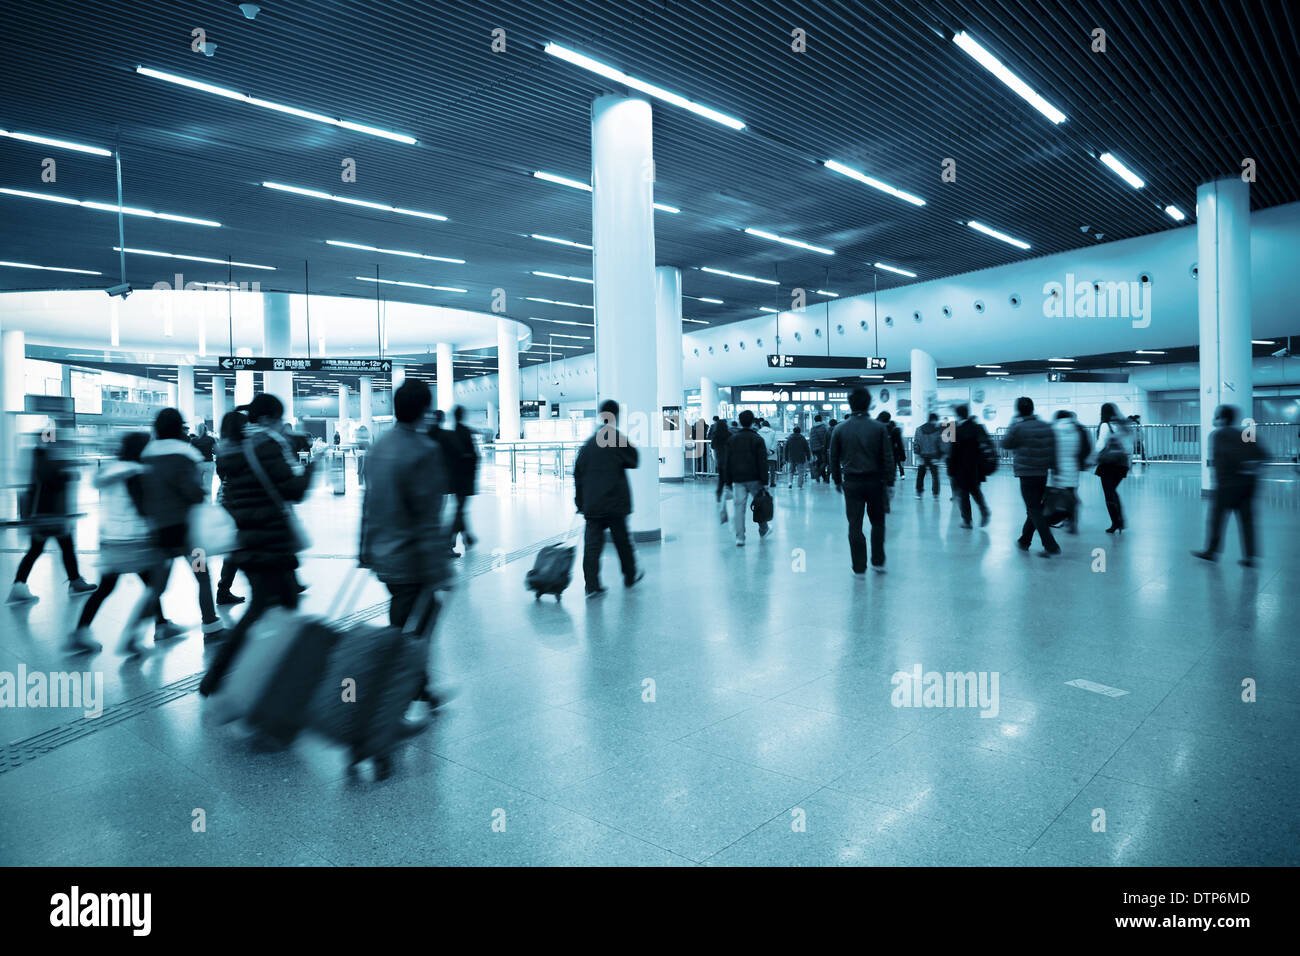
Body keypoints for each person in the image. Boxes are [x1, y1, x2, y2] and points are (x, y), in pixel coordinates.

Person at [199, 393, 315, 698]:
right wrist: (314, 469)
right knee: (264, 607)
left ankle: (279, 670)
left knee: (286, 602)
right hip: (269, 539)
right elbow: (294, 491)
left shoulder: (234, 447)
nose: (281, 425)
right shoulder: (265, 446)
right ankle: (220, 673)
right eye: (278, 419)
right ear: (266, 419)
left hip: (247, 538)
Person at [360, 378, 450, 708]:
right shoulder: (423, 451)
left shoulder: (379, 446)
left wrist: (364, 550)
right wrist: (439, 570)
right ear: (424, 410)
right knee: (413, 628)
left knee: (405, 622)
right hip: (411, 559)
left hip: (384, 555)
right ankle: (395, 697)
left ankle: (418, 686)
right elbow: (427, 518)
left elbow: (368, 503)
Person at [65, 432, 175, 655]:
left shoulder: (112, 469)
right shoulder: (136, 473)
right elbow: (144, 509)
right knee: (154, 584)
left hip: (111, 539)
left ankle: (81, 632)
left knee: (109, 587)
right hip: (133, 541)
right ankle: (142, 634)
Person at [142, 407, 224, 646]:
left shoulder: (147, 455)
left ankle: (142, 630)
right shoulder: (182, 456)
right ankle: (210, 625)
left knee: (157, 584)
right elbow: (192, 492)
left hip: (159, 533)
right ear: (179, 428)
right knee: (202, 575)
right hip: (187, 534)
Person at [7, 442, 96, 604]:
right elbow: (53, 481)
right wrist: (68, 473)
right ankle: (73, 581)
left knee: (52, 548)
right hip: (49, 516)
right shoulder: (45, 461)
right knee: (49, 548)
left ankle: (20, 586)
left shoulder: (38, 461)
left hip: (45, 515)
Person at [573, 399, 643, 596]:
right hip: (615, 502)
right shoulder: (616, 439)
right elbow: (634, 460)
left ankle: (592, 585)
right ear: (617, 416)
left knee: (592, 545)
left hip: (592, 504)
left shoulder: (588, 444)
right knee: (622, 540)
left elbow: (577, 474)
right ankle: (630, 576)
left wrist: (580, 502)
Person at [1193, 404, 1266, 567]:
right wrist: (1250, 468)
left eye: (1216, 416)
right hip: (1247, 485)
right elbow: (1263, 454)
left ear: (1223, 419)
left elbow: (1228, 456)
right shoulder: (1246, 434)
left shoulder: (1218, 435)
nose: (1214, 419)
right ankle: (1250, 557)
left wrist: (1235, 467)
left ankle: (1211, 551)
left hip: (1226, 486)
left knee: (1216, 519)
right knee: (1247, 521)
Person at [830, 388, 893, 573]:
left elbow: (833, 457)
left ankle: (858, 565)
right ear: (868, 403)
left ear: (850, 404)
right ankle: (878, 560)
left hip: (851, 482)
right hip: (876, 482)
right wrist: (890, 483)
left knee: (854, 524)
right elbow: (887, 457)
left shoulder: (840, 428)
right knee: (878, 522)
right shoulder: (879, 428)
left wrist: (836, 480)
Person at [1002, 396, 1060, 556]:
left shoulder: (1018, 427)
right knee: (1033, 508)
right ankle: (1024, 541)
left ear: (1018, 410)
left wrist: (1013, 423)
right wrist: (1055, 469)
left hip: (1026, 474)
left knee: (1034, 509)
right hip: (1042, 473)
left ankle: (1050, 545)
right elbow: (1053, 448)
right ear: (1032, 408)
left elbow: (1005, 443)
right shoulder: (1046, 426)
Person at [213, 411, 248, 608]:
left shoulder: (222, 448)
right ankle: (222, 590)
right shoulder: (241, 450)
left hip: (225, 500)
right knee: (236, 549)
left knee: (233, 548)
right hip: (238, 502)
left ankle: (222, 589)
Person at [724, 410, 769, 546]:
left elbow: (727, 462)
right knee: (760, 505)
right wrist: (765, 481)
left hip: (738, 479)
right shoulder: (758, 439)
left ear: (739, 421)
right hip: (755, 478)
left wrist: (727, 481)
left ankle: (740, 538)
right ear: (752, 422)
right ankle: (763, 528)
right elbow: (762, 462)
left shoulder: (732, 439)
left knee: (739, 508)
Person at [947, 404, 992, 528]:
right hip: (976, 467)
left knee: (963, 494)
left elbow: (952, 451)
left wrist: (950, 469)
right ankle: (984, 510)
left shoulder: (954, 428)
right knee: (975, 490)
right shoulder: (977, 427)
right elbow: (986, 444)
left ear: (958, 415)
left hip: (960, 467)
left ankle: (967, 521)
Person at [1092, 403, 1134, 534]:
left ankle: (1116, 522)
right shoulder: (1123, 425)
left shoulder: (1105, 425)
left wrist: (1093, 457)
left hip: (1108, 464)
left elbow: (1100, 444)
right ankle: (1120, 521)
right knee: (1113, 492)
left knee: (1109, 494)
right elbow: (1128, 447)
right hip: (1122, 463)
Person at [445, 405, 480, 554]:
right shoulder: (464, 432)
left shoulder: (453, 433)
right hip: (465, 479)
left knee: (460, 509)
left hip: (456, 479)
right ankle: (450, 540)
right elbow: (474, 456)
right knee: (460, 510)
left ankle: (466, 538)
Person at [1045, 410, 1087, 533]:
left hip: (1057, 467)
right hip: (1073, 466)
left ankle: (1049, 520)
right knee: (1071, 492)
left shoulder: (1053, 429)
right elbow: (1085, 448)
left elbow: (1050, 449)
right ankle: (1072, 521)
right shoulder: (1078, 429)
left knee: (1052, 496)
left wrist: (1052, 466)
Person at [875, 412, 903, 512]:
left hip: (876, 459)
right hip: (891, 458)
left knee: (878, 481)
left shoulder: (875, 428)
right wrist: (902, 455)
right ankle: (886, 503)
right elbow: (899, 444)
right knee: (888, 480)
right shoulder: (894, 429)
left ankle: (880, 503)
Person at [913, 413, 945, 498]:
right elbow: (941, 444)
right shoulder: (938, 430)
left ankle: (919, 493)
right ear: (934, 420)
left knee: (920, 475)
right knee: (935, 476)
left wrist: (917, 456)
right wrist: (940, 457)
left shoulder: (919, 429)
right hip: (934, 457)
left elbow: (916, 443)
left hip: (922, 456)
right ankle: (935, 494)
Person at [190, 421, 217, 503]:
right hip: (209, 463)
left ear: (197, 430)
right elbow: (216, 451)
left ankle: (199, 502)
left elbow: (191, 452)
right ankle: (208, 503)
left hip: (198, 464)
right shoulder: (211, 439)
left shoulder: (194, 440)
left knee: (198, 485)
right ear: (206, 429)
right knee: (208, 485)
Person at [708, 415, 731, 503]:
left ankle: (719, 493)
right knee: (729, 478)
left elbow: (713, 446)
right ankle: (729, 493)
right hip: (729, 460)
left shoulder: (715, 436)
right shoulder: (729, 435)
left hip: (720, 460)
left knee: (721, 479)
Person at [757, 418, 779, 487]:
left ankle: (763, 482)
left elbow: (758, 443)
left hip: (762, 453)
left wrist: (763, 451)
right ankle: (772, 482)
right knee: (772, 469)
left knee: (762, 469)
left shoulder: (758, 432)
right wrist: (771, 451)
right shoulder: (773, 432)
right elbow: (775, 442)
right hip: (771, 453)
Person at [809, 414, 830, 482]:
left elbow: (811, 440)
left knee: (818, 462)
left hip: (814, 448)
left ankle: (822, 477)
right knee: (825, 462)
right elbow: (827, 437)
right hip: (822, 448)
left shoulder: (812, 428)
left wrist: (811, 449)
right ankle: (819, 474)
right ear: (821, 419)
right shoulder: (824, 427)